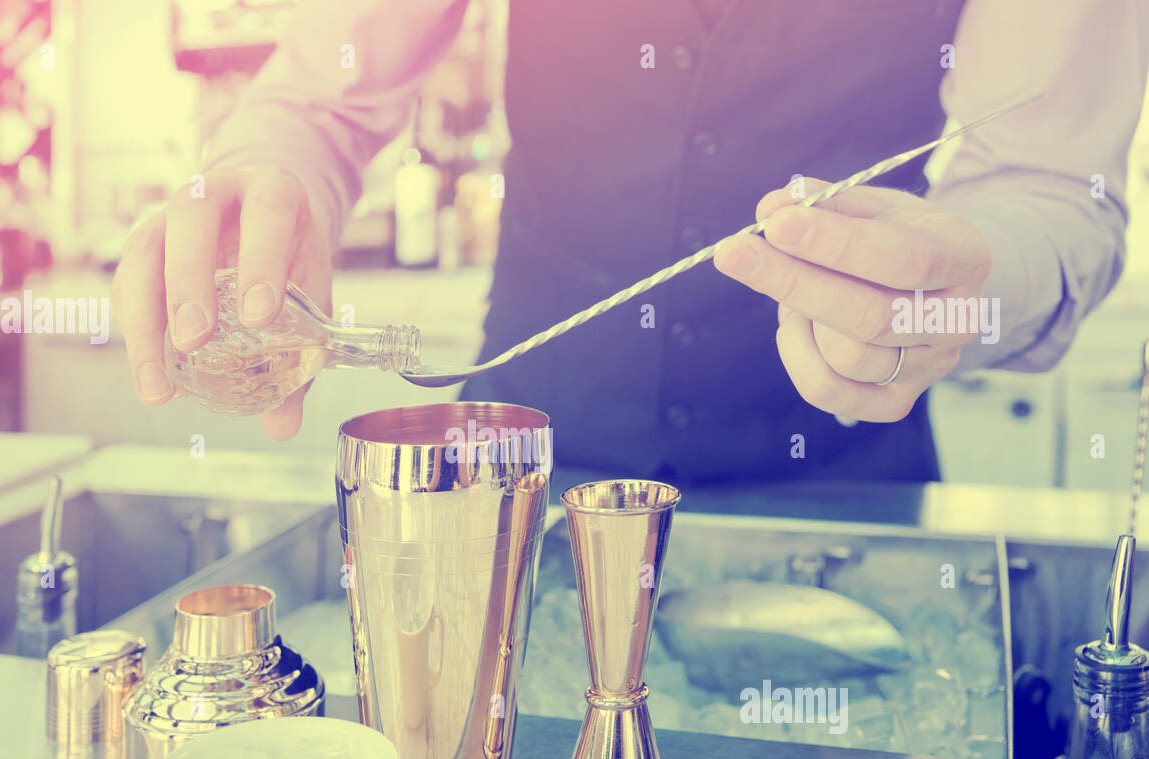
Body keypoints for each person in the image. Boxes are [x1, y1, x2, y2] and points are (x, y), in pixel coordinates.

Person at [113, 0, 1149, 487]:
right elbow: (323, 92)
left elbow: (1051, 184)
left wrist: (950, 291)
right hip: (518, 481)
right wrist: (272, 161)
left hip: (835, 491)